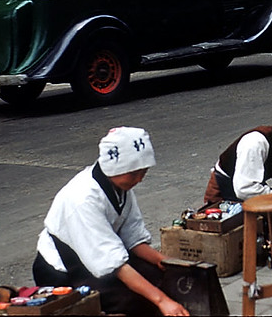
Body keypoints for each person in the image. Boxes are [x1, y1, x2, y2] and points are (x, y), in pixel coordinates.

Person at [32, 127, 189, 316]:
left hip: (101, 261)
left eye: (144, 172)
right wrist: (162, 301)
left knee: (163, 278)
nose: (139, 179)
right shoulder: (83, 199)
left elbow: (133, 238)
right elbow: (112, 263)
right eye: (133, 173)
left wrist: (167, 262)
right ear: (114, 167)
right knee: (132, 300)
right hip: (64, 271)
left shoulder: (120, 188)